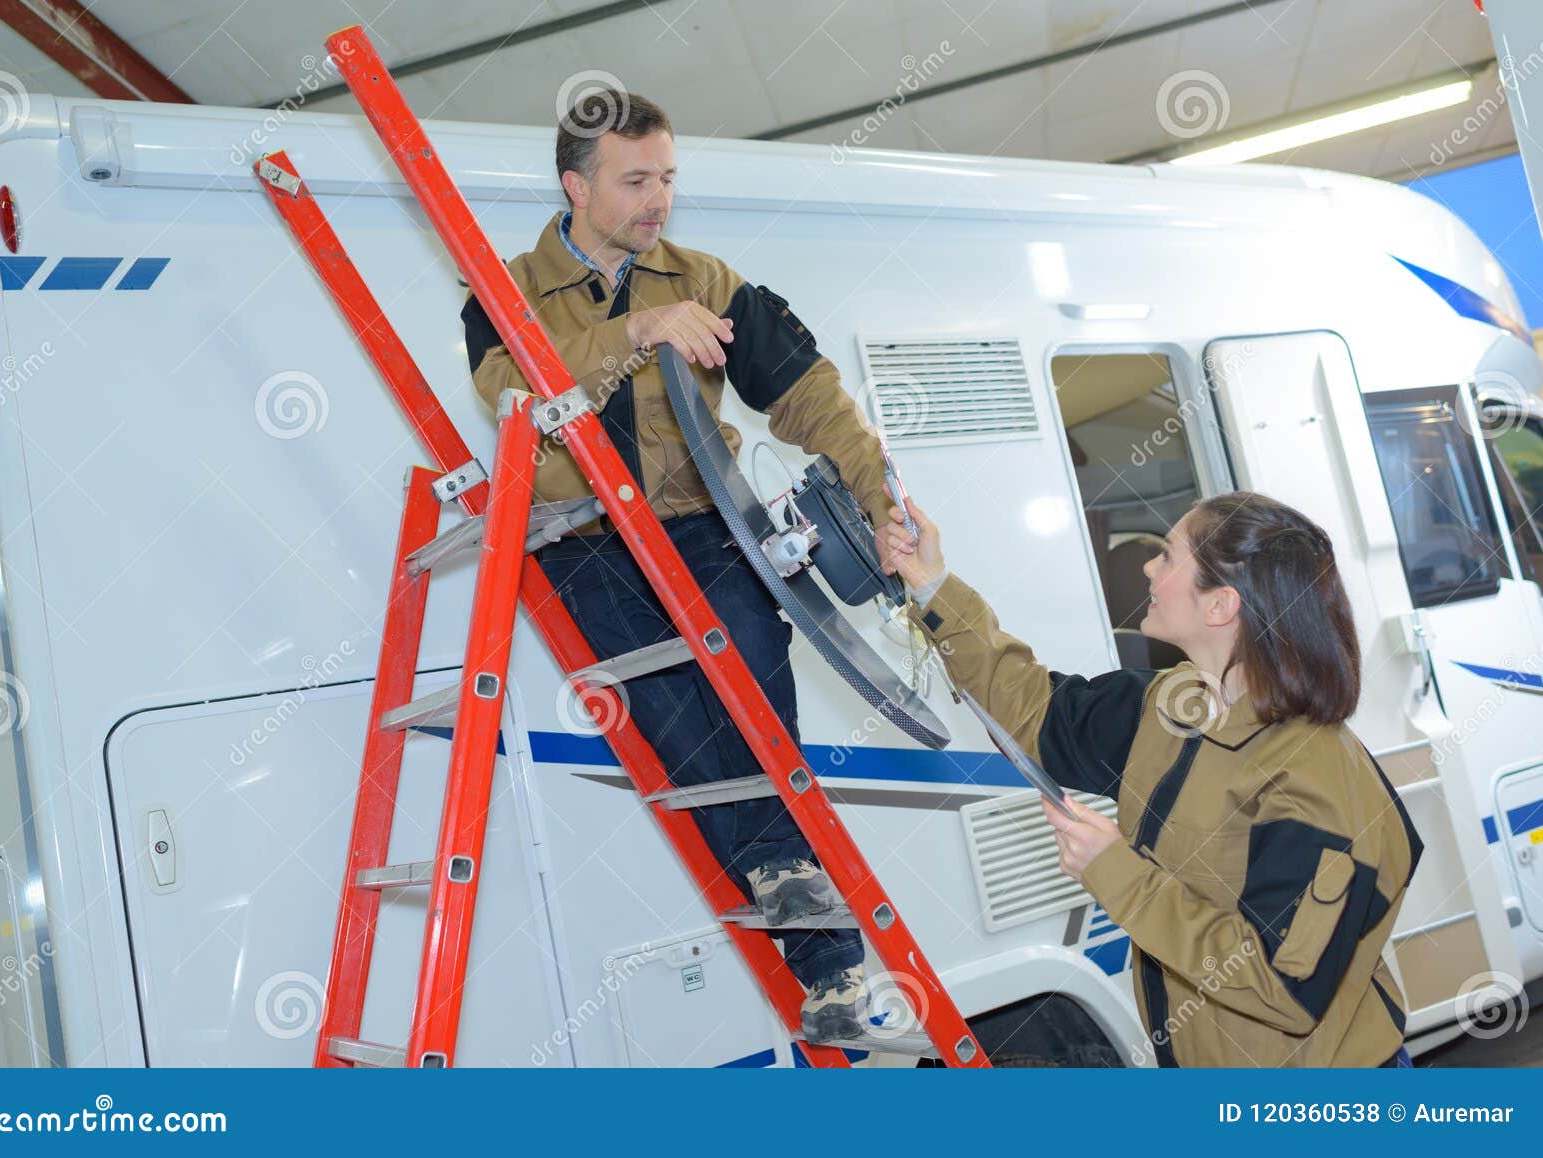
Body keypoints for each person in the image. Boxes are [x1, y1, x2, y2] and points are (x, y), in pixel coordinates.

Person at [460, 88, 894, 1042]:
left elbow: (805, 392)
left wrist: (881, 497)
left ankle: (827, 961)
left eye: (667, 178)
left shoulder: (704, 277)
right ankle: (807, 923)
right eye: (636, 179)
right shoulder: (500, 293)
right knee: (680, 738)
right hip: (586, 546)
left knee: (748, 678)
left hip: (703, 527)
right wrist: (639, 332)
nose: (659, 198)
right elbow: (514, 393)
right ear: (576, 184)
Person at [879, 489, 1424, 1067]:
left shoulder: (1316, 772)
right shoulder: (1170, 704)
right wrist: (932, 582)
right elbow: (1033, 709)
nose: (1147, 566)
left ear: (1219, 606)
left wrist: (1114, 868)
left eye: (1167, 556)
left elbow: (1282, 986)